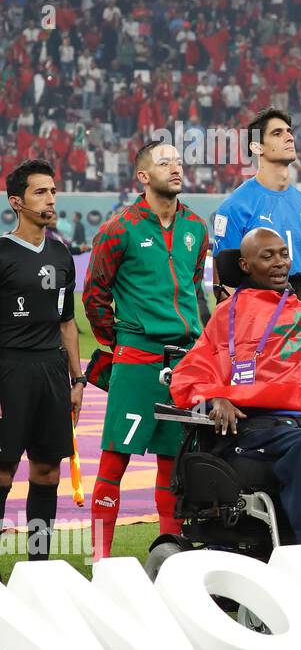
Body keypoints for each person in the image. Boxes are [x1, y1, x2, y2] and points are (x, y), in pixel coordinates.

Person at [168, 229, 301, 544]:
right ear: (245, 265)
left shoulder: (298, 315)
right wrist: (215, 398)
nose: (280, 262)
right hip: (247, 431)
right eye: (267, 256)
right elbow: (192, 371)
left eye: (283, 254)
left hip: (297, 424)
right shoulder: (227, 314)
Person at [83, 141, 209, 558]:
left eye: (178, 161)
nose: (175, 167)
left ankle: (169, 556)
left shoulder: (196, 227)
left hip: (184, 364)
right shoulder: (119, 228)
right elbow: (95, 293)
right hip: (137, 361)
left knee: (174, 464)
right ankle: (101, 560)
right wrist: (123, 339)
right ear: (142, 176)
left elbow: (192, 287)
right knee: (115, 458)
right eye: (164, 162)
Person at [0, 160, 82, 559]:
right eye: (40, 192)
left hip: (51, 370)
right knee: (2, 471)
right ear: (17, 202)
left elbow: (67, 323)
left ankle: (38, 564)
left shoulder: (61, 255)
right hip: (9, 369)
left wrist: (77, 380)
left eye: (52, 191)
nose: (51, 199)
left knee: (48, 470)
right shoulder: (1, 252)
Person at [211, 108, 301, 299]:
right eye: (277, 133)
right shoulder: (234, 208)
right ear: (257, 147)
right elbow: (225, 289)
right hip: (259, 324)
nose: (289, 138)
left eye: (289, 132)